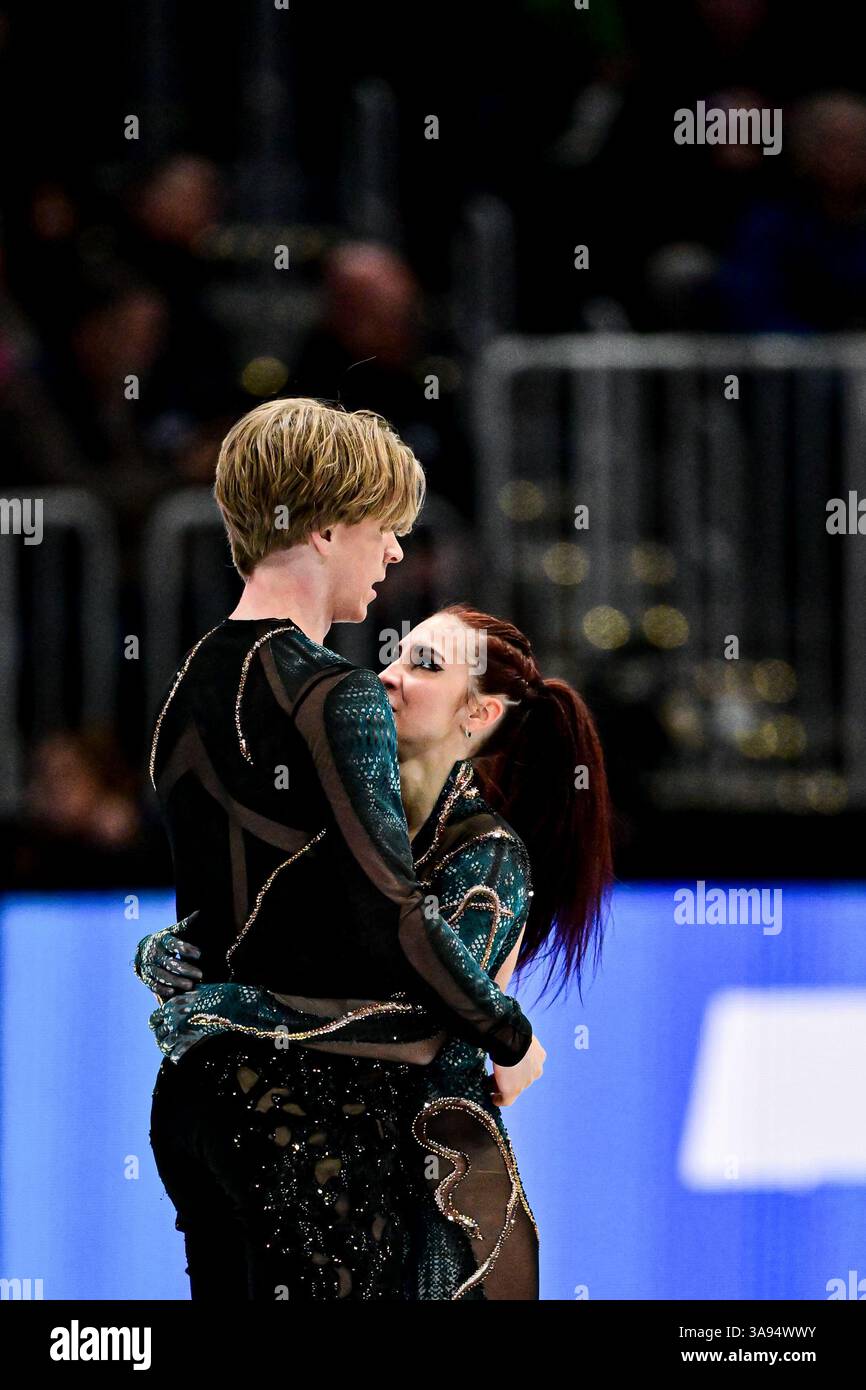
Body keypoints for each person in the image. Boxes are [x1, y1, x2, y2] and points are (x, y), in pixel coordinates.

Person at [136, 397, 546, 1301]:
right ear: (324, 528)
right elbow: (388, 908)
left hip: (194, 1101)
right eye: (383, 528)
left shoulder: (188, 686)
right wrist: (509, 1035)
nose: (396, 552)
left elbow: (204, 933)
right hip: (309, 1112)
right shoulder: (334, 694)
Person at [144, 603, 614, 1298]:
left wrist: (243, 1013)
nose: (386, 676)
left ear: (477, 715)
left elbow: (426, 1027)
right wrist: (167, 954)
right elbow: (271, 946)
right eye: (394, 656)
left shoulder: (488, 857)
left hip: (440, 1201)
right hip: (333, 1172)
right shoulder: (345, 823)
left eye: (423, 666)